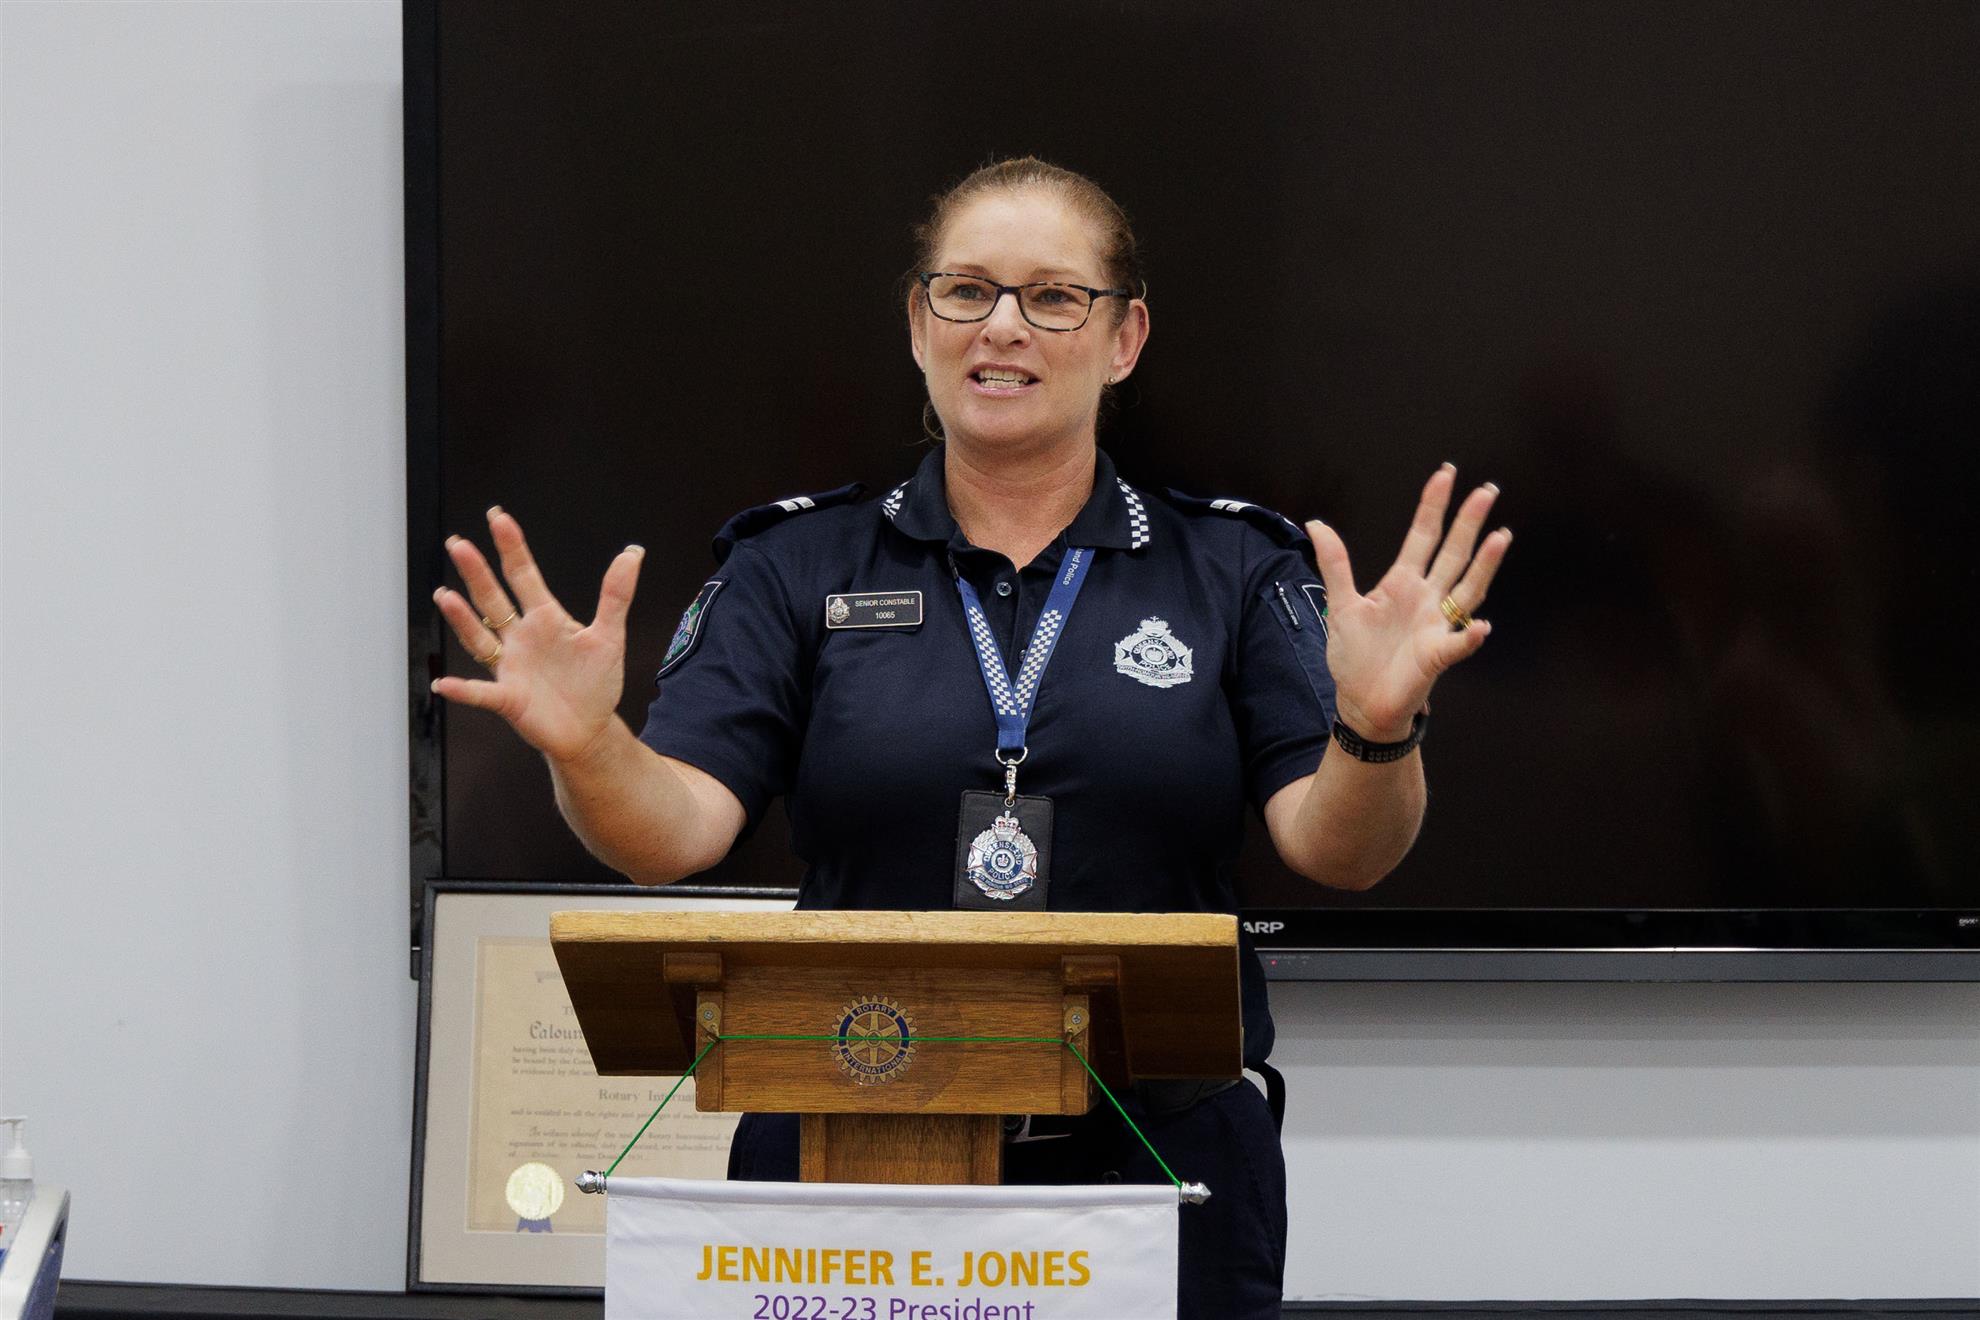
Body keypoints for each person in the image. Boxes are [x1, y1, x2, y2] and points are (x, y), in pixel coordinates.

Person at [431, 156, 1509, 1318]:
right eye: (966, 290)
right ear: (918, 322)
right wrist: (587, 746)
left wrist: (1376, 729)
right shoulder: (794, 565)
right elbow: (671, 834)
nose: (1003, 326)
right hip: (845, 1161)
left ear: (1125, 337)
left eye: (1053, 296)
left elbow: (1340, 850)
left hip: (1158, 1174)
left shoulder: (1236, 567)